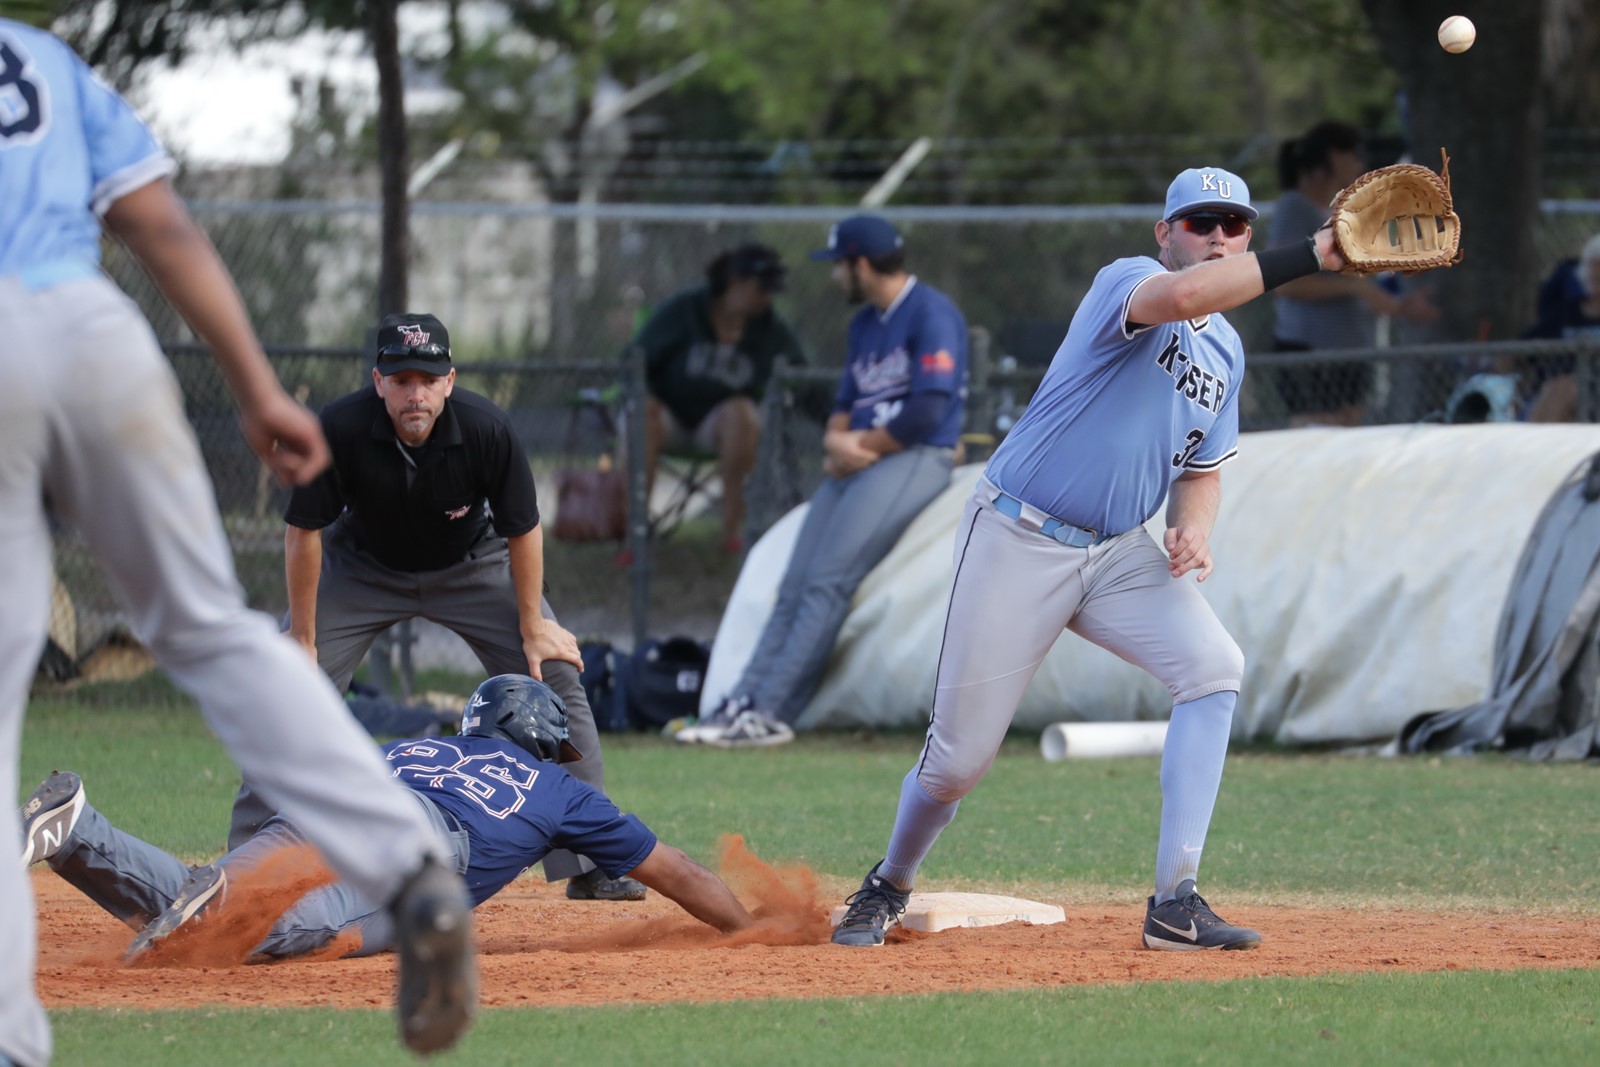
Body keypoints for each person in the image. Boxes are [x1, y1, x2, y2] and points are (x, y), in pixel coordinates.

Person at [0, 20, 474, 1063]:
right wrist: (257, 386)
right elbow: (158, 223)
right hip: (94, 332)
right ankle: (408, 865)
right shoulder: (39, 56)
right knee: (214, 628)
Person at [829, 167, 1350, 950]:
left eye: (1233, 224)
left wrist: (1194, 526)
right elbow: (1184, 300)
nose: (1216, 237)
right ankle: (889, 880)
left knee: (1215, 667)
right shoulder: (1130, 281)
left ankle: (1177, 900)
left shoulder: (1230, 353)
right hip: (1018, 535)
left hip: (1116, 555)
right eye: (1199, 221)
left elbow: (1203, 466)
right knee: (957, 764)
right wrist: (1313, 252)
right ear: (1163, 233)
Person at [248, 311, 647, 903]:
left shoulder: (487, 428)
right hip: (362, 568)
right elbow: (303, 530)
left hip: (471, 565)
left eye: (428, 379)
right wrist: (302, 638)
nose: (416, 393)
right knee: (288, 693)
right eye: (402, 378)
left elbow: (523, 527)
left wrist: (534, 626)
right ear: (378, 381)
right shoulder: (339, 428)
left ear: (450, 381)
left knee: (556, 672)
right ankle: (248, 862)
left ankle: (595, 862)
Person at [20, 675, 752, 968]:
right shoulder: (558, 790)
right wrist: (749, 931)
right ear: (535, 736)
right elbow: (677, 871)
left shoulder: (416, 742)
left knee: (225, 899)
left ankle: (79, 829)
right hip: (423, 847)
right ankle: (221, 902)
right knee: (266, 931)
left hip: (346, 790)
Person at [682, 215, 968, 748]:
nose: (836, 276)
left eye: (840, 265)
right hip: (861, 459)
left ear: (861, 264)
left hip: (916, 457)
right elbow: (844, 404)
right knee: (793, 583)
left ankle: (770, 711)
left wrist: (859, 447)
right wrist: (838, 444)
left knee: (826, 582)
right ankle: (742, 701)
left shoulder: (931, 312)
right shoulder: (864, 323)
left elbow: (929, 408)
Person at [627, 243, 804, 554]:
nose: (767, 299)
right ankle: (634, 535)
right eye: (761, 289)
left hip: (720, 427)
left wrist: (838, 420)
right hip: (668, 418)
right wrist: (647, 396)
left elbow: (805, 379)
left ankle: (732, 536)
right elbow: (633, 359)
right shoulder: (684, 310)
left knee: (742, 413)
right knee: (641, 414)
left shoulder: (770, 329)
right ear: (735, 283)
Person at [1267, 121, 1437, 426]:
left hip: (1350, 350)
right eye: (1354, 155)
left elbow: (1365, 281)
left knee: (1348, 434)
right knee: (1317, 434)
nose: (1361, 164)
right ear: (1333, 157)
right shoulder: (1295, 208)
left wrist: (1398, 305)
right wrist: (1356, 290)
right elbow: (1286, 284)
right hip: (1312, 350)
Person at [1516, 232, 1600, 422]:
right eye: (1593, 264)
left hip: (1593, 391)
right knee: (1557, 387)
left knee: (1564, 387)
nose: (1597, 271)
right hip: (1557, 391)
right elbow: (1519, 351)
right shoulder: (1565, 313)